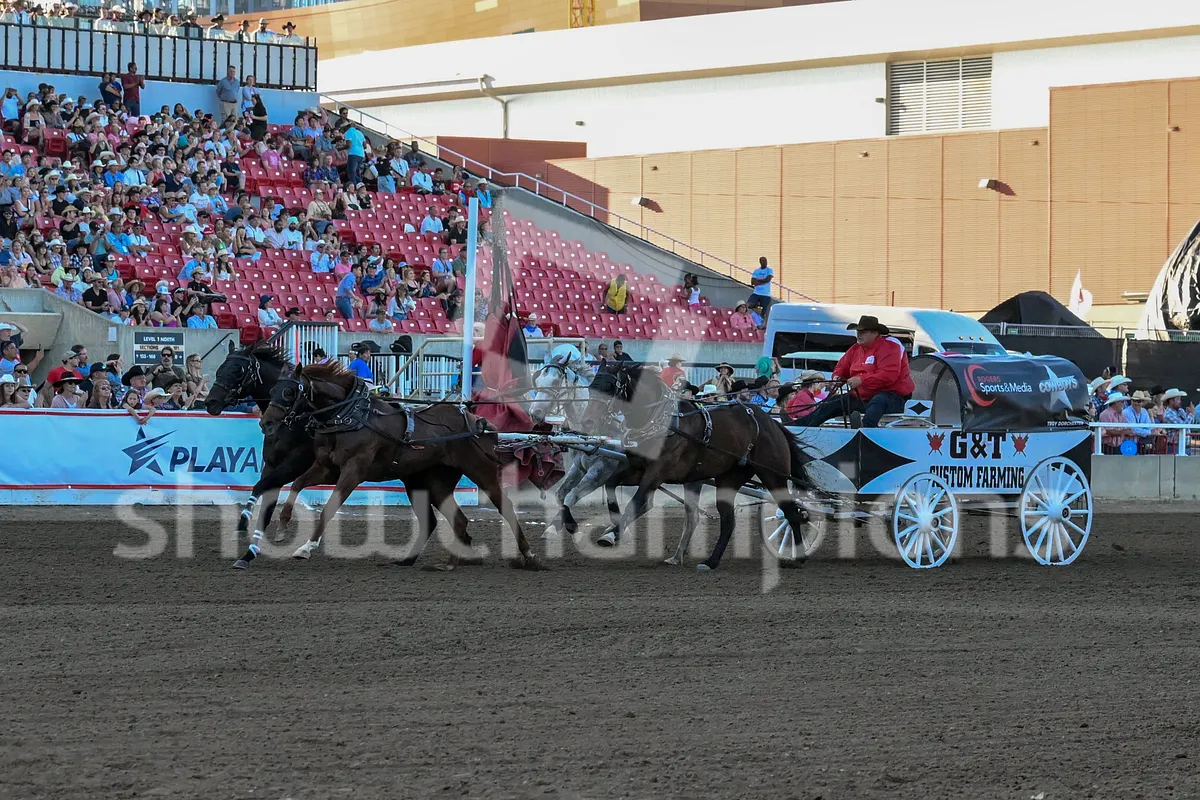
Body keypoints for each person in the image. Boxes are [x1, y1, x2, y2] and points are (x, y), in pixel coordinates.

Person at [796, 316, 914, 429]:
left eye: (863, 331)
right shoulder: (855, 349)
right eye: (858, 331)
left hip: (893, 397)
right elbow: (842, 367)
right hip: (862, 397)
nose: (859, 334)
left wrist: (862, 380)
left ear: (875, 333)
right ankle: (799, 426)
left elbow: (889, 375)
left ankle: (866, 431)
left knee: (878, 402)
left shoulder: (889, 347)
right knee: (831, 403)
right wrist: (837, 377)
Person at [747, 256, 774, 325]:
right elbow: (752, 282)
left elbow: (768, 279)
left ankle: (760, 324)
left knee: (762, 311)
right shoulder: (757, 271)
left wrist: (758, 281)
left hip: (765, 294)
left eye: (765, 261)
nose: (765, 262)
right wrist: (762, 281)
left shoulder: (769, 270)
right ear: (760, 262)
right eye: (763, 261)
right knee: (749, 304)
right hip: (756, 293)